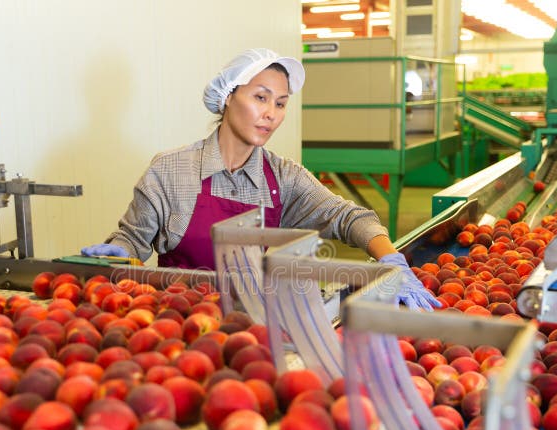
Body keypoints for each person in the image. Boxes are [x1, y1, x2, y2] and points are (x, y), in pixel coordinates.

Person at [82, 48, 439, 311]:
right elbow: (131, 240)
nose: (271, 113)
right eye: (260, 98)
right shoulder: (171, 171)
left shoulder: (283, 177)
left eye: (281, 103)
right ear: (227, 97)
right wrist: (121, 251)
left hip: (254, 329)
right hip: (179, 323)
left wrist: (392, 261)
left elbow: (349, 217)